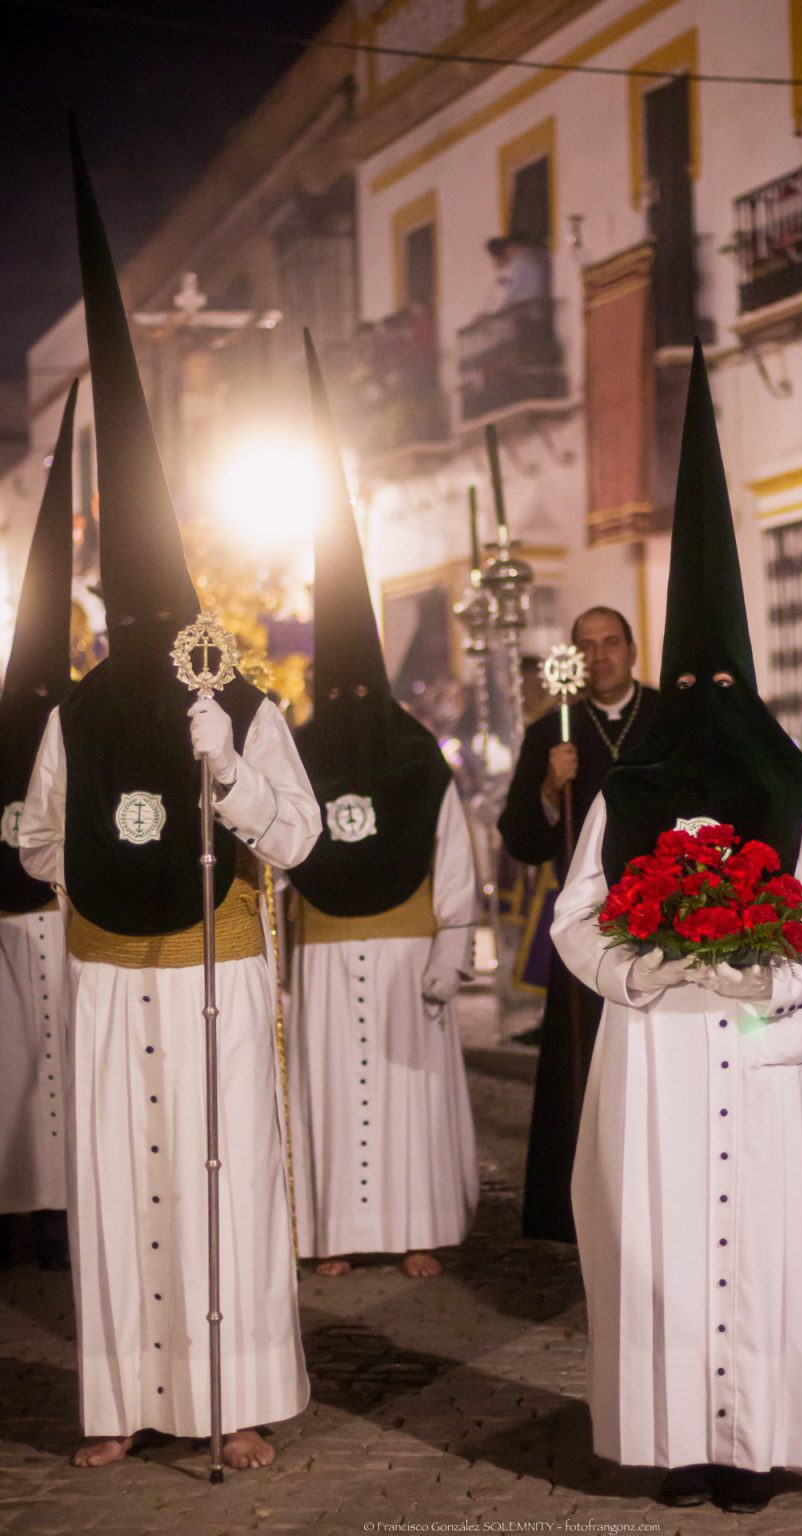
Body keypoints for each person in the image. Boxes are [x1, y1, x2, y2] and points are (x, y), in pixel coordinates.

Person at [19, 128, 320, 1471]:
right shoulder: (78, 714)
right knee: (118, 1179)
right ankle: (122, 1403)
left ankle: (231, 1403)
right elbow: (34, 835)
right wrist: (85, 862)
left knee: (216, 1177)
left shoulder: (245, 703)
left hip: (215, 965)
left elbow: (297, 838)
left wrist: (227, 762)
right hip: (102, 973)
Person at [552, 342, 802, 1514]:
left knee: (766, 1248)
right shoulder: (629, 792)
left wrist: (775, 976)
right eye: (693, 691)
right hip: (656, 1056)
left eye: (720, 690)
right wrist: (641, 977)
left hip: (760, 1048)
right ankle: (673, 1440)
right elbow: (579, 918)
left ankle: (761, 1439)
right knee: (659, 1249)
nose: (706, 712)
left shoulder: (789, 788)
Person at [286, 334, 478, 1282]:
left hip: (407, 949)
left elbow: (454, 859)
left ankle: (415, 1230)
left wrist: (453, 951)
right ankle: (331, 1232)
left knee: (407, 1098)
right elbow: (279, 856)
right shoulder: (300, 750)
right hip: (323, 949)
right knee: (329, 1093)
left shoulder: (413, 755)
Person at [498, 607, 658, 1242]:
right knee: (580, 1062)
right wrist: (546, 788)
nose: (599, 656)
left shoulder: (666, 719)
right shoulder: (551, 731)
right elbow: (520, 838)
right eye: (586, 646)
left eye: (610, 643)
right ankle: (575, 1207)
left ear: (633, 649)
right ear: (573, 657)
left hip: (661, 915)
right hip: (587, 925)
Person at [0, 382, 77, 1272]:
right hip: (10, 923)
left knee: (54, 1074)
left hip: (63, 920)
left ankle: (57, 1212)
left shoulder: (85, 722)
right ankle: (24, 1210)